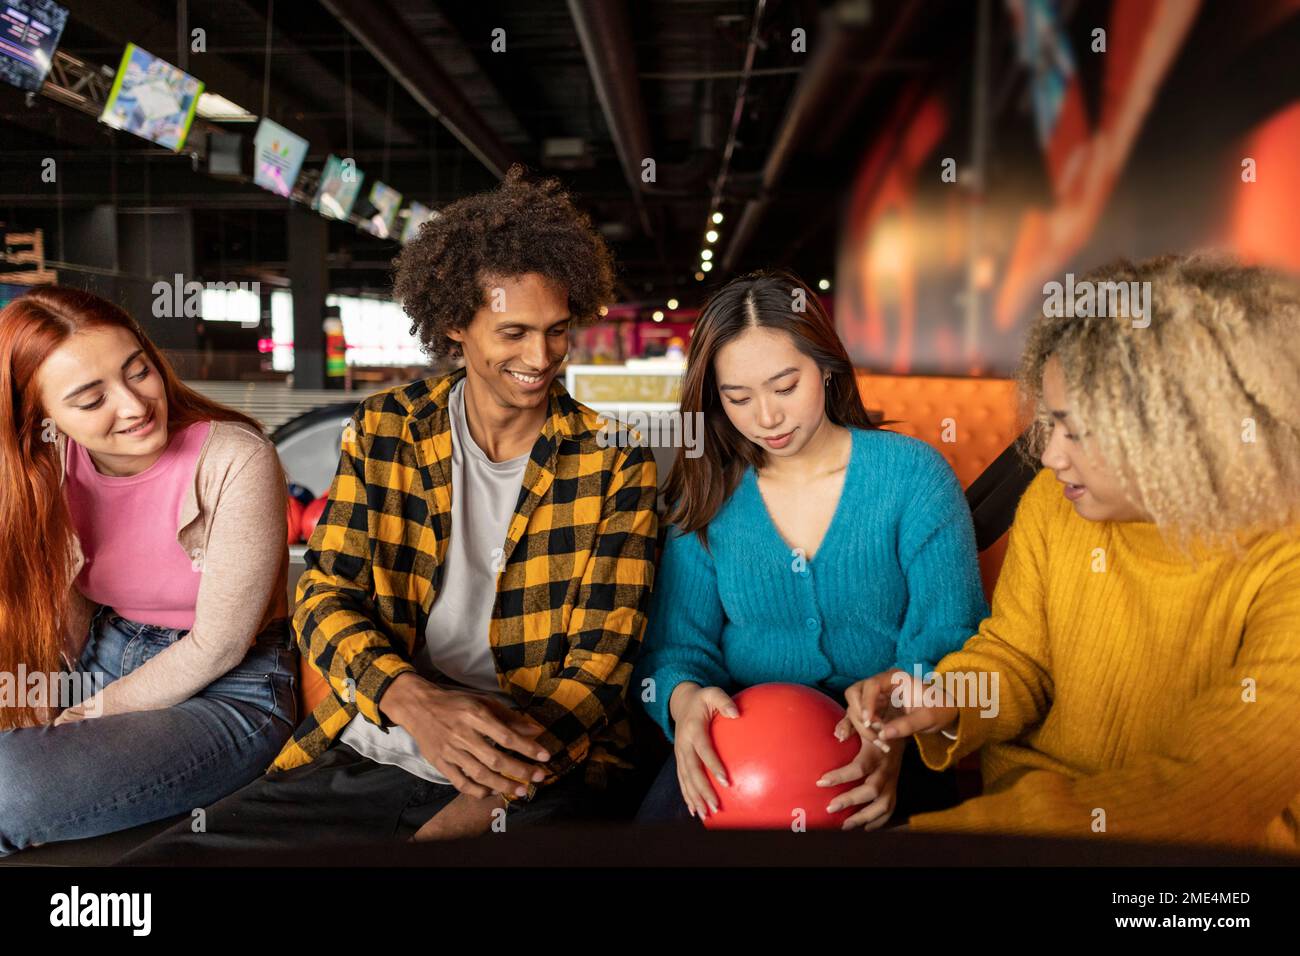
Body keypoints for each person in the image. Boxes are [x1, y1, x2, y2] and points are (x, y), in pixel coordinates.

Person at [124, 166, 659, 862]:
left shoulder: (613, 460)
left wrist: (481, 802)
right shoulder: (388, 429)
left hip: (539, 768)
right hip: (376, 747)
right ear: (454, 327)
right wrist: (409, 699)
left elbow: (601, 668)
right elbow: (323, 594)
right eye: (515, 332)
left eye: (557, 331)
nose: (542, 357)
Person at [847, 255, 1300, 853]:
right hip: (1016, 822)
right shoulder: (1055, 503)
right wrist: (947, 698)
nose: (1052, 454)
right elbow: (1017, 658)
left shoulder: (1282, 562)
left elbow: (1197, 796)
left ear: (1186, 432)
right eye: (1050, 422)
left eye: (1078, 430)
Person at [634, 271, 987, 829]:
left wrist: (895, 729)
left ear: (824, 365)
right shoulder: (704, 492)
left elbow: (950, 635)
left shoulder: (913, 476)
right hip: (739, 750)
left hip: (894, 738)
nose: (766, 418)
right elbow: (675, 649)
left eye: (785, 386)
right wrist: (683, 702)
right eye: (738, 398)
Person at [0, 286, 296, 855]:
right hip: (103, 659)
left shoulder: (236, 458)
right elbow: (65, 613)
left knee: (9, 788)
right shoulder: (52, 465)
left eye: (138, 371)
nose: (135, 405)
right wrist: (46, 694)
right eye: (91, 401)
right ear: (42, 417)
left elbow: (219, 645)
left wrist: (89, 713)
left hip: (231, 691)